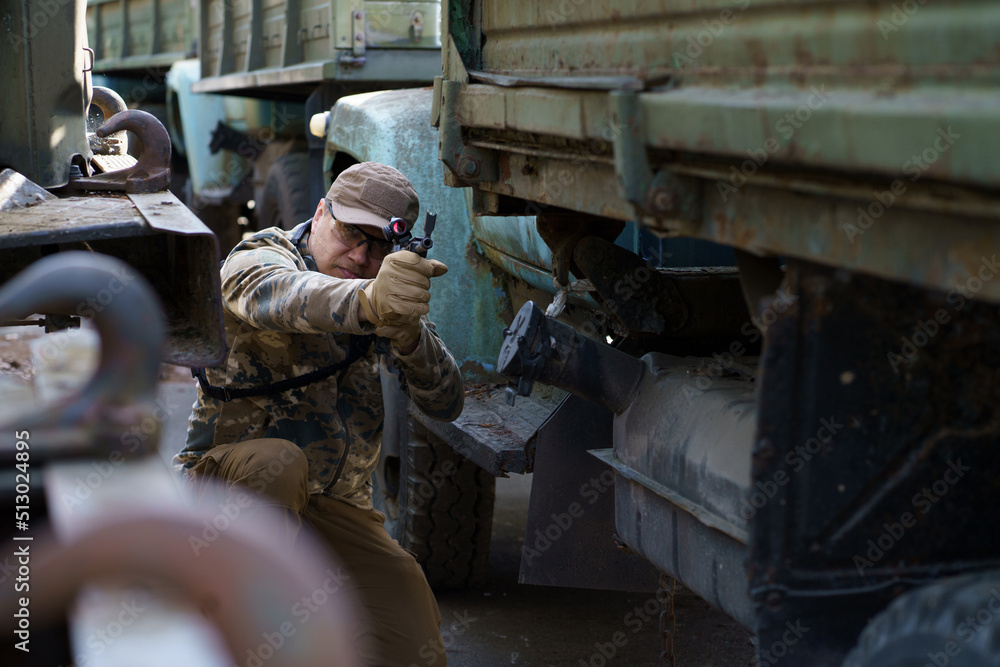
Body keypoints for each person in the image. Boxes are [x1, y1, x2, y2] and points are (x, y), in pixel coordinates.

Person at [175, 162, 464, 666]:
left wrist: (409, 334)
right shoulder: (262, 256)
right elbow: (280, 295)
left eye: (378, 245)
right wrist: (370, 302)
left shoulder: (379, 287)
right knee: (277, 464)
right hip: (224, 495)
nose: (360, 255)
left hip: (331, 510)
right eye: (351, 233)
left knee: (410, 623)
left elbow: (446, 401)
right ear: (319, 213)